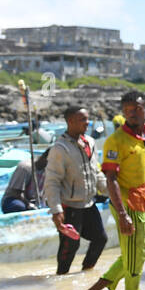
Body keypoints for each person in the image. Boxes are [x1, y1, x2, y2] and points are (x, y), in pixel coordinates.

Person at [68, 90, 145, 290]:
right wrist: (122, 214)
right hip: (125, 204)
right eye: (128, 111)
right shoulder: (116, 141)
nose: (132, 114)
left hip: (141, 201)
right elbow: (110, 178)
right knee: (135, 259)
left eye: (137, 109)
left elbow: (143, 173)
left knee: (136, 256)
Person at [43, 106, 109, 273]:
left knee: (100, 239)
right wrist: (56, 210)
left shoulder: (90, 143)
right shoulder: (60, 148)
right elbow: (52, 181)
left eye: (88, 119)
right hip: (69, 206)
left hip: (88, 204)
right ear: (70, 121)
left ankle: (86, 273)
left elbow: (97, 172)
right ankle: (61, 278)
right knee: (70, 246)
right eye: (83, 119)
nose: (87, 122)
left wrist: (112, 192)